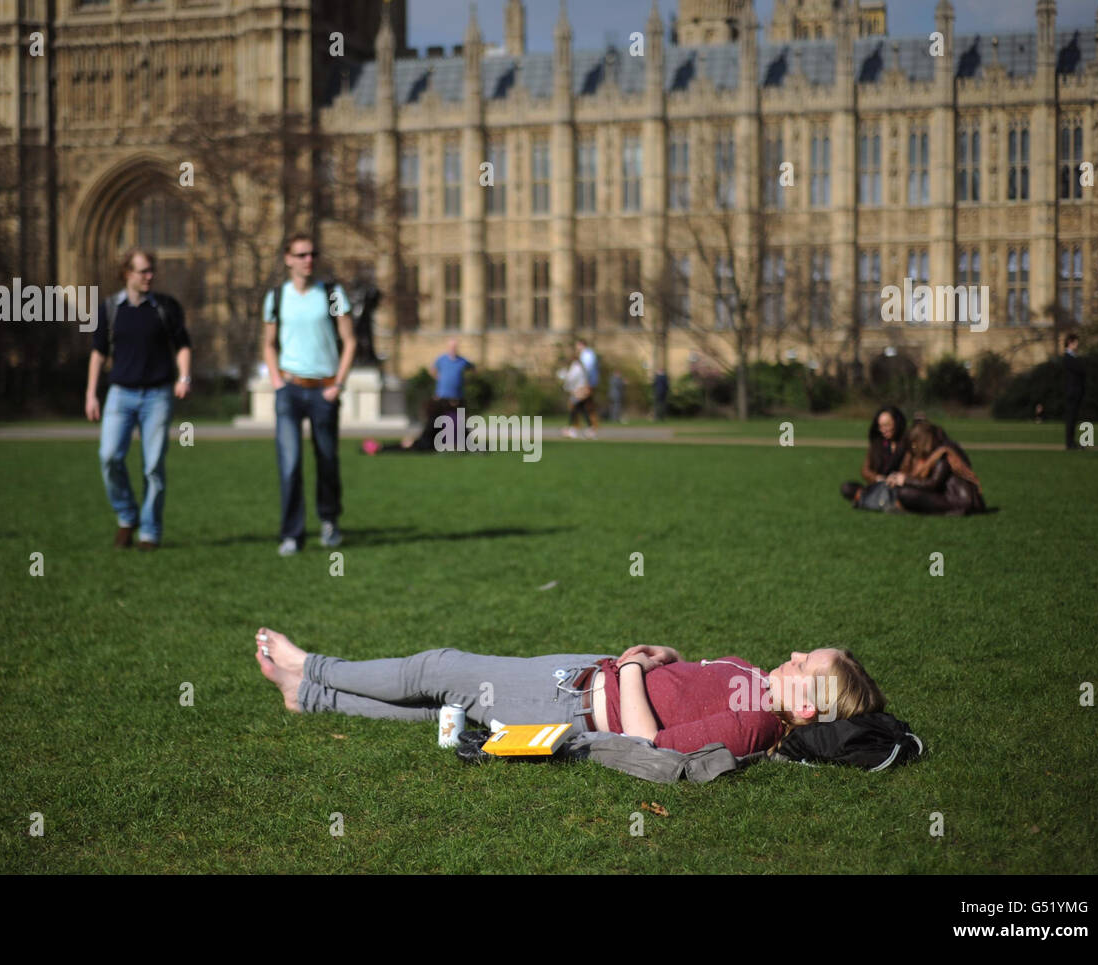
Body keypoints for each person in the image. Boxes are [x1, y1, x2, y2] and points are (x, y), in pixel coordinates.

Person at [253, 629, 886, 759]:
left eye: (807, 664)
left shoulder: (753, 727)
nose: (796, 653)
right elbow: (688, 676)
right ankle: (306, 696)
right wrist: (661, 658)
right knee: (446, 708)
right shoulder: (750, 676)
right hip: (583, 671)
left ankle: (309, 664)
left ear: (806, 708)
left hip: (573, 704)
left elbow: (649, 744)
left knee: (439, 669)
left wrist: (634, 672)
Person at [85, 248, 192, 551]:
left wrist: (184, 377)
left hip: (157, 395)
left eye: (151, 270)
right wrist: (91, 393)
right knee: (109, 457)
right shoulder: (109, 309)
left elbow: (183, 344)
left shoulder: (165, 307)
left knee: (153, 466)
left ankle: (149, 531)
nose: (150, 276)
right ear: (127, 274)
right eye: (143, 271)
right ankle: (126, 515)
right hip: (120, 395)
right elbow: (98, 352)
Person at [263, 233, 357, 556]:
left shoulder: (332, 294)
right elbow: (268, 342)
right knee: (289, 463)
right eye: (301, 255)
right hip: (289, 390)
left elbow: (350, 341)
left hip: (323, 390)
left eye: (312, 254)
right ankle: (292, 534)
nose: (308, 260)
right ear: (288, 259)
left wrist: (339, 383)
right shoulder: (276, 297)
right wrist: (276, 379)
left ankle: (329, 521)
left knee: (327, 460)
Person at [886, 421, 986, 515]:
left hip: (959, 501)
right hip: (951, 498)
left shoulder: (942, 455)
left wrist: (905, 480)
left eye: (915, 442)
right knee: (904, 492)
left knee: (906, 493)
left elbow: (933, 484)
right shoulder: (932, 455)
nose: (913, 446)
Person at [839, 405, 907, 508]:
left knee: (904, 493)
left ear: (897, 423)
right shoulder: (877, 444)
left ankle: (870, 501)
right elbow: (865, 470)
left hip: (898, 484)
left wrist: (898, 478)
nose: (884, 430)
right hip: (880, 483)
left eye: (887, 425)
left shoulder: (907, 443)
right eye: (881, 426)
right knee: (847, 488)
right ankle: (872, 499)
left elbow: (911, 469)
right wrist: (877, 478)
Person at [560, 354, 592, 439]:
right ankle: (589, 428)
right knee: (581, 409)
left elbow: (571, 378)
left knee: (574, 408)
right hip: (579, 390)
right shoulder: (579, 367)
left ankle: (573, 429)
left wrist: (564, 376)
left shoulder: (576, 367)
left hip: (579, 391)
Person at [1063, 333, 1085, 450]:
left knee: (1073, 418)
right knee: (1071, 418)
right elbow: (1080, 371)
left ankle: (1071, 442)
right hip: (1072, 392)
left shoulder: (1072, 357)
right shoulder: (1068, 358)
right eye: (1076, 342)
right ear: (1070, 343)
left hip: (1075, 391)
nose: (1077, 345)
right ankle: (1070, 443)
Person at [576, 338, 600, 436]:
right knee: (585, 404)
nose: (576, 347)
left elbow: (587, 370)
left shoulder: (587, 354)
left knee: (583, 403)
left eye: (577, 345)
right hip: (586, 382)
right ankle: (591, 427)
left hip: (587, 383)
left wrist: (584, 384)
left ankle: (591, 427)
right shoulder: (585, 354)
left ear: (582, 345)